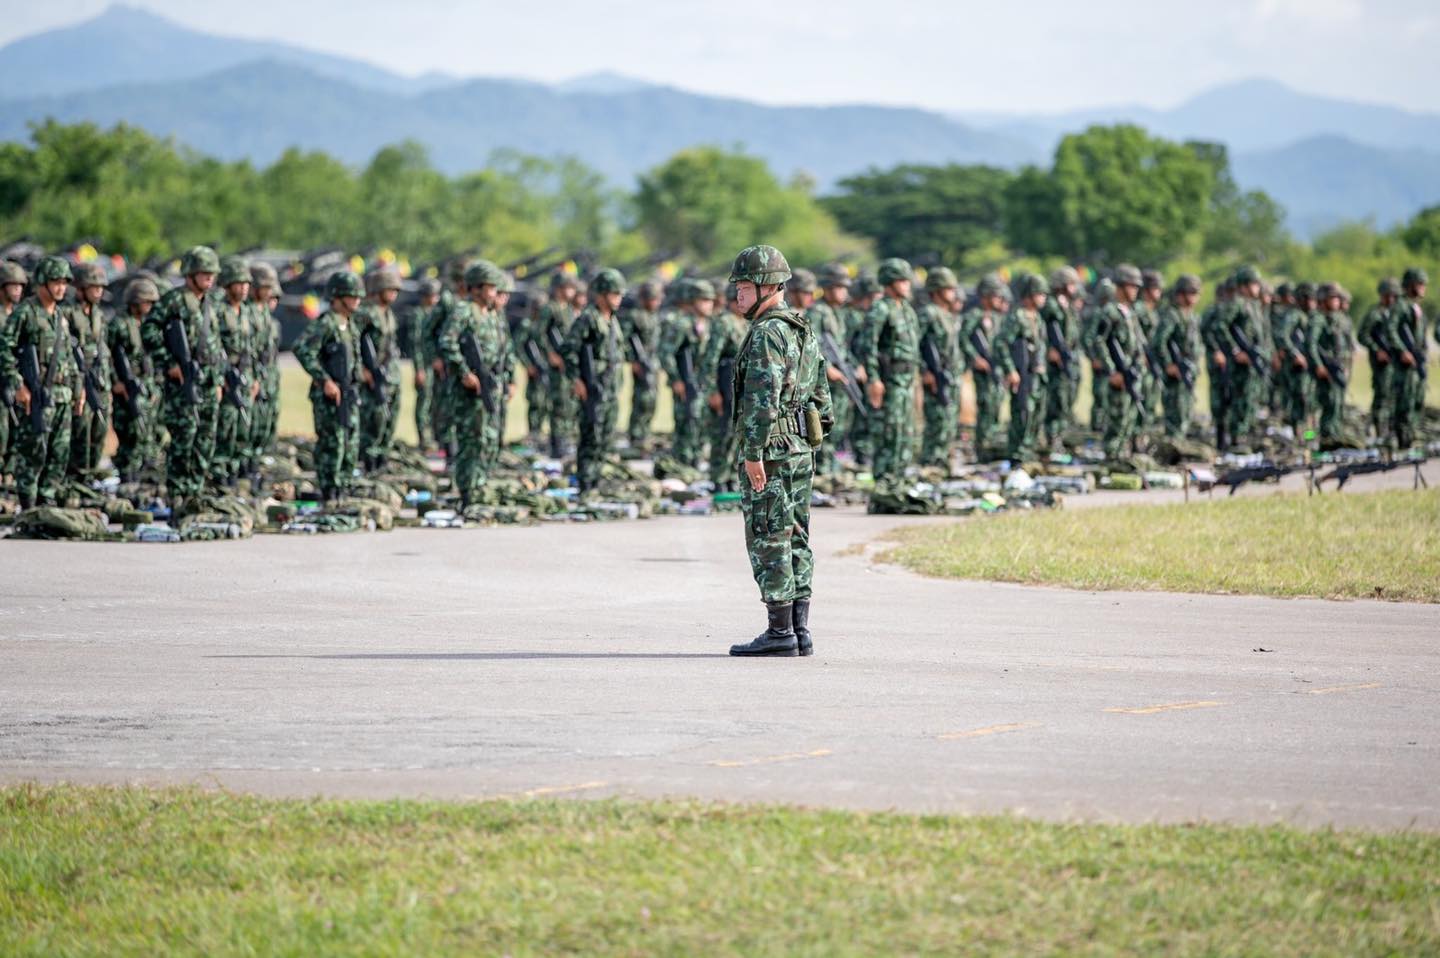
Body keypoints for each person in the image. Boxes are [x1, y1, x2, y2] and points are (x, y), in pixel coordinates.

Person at [726, 245, 830, 658]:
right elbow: (821, 392)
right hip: (800, 446)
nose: (738, 295)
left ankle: (779, 632)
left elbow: (761, 398)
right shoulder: (800, 327)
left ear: (768, 287)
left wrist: (754, 452)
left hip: (771, 447)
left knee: (770, 535)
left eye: (745, 287)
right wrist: (812, 437)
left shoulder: (768, 332)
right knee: (797, 534)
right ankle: (800, 631)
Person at [143, 245, 222, 505]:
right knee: (184, 439)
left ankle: (196, 491)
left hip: (208, 380)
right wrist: (168, 363)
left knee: (206, 438)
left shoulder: (211, 302)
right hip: (183, 381)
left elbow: (217, 343)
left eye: (212, 272)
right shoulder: (175, 300)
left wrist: (218, 379)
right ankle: (178, 494)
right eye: (204, 272)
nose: (209, 277)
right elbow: (150, 330)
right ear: (190, 273)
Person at [1, 255, 80, 508]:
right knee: (34, 452)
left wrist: (78, 391)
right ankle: (29, 504)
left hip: (62, 396)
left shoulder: (60, 317)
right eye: (55, 282)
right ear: (43, 283)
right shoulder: (26, 313)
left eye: (64, 283)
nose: (60, 288)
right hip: (35, 396)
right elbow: (4, 350)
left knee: (59, 453)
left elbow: (69, 355)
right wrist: (18, 385)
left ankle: (47, 501)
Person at [436, 260, 509, 507]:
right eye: (490, 288)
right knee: (471, 441)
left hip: (490, 385)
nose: (494, 293)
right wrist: (464, 373)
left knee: (488, 439)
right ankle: (467, 492)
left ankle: (480, 485)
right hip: (468, 390)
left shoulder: (492, 315)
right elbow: (447, 341)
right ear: (476, 288)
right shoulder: (464, 311)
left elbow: (501, 350)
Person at [293, 271, 364, 504]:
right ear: (337, 297)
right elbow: (303, 349)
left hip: (348, 394)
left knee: (350, 445)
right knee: (332, 444)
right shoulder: (327, 323)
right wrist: (324, 380)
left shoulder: (350, 324)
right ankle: (330, 491)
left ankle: (342, 488)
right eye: (351, 296)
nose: (357, 300)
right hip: (329, 397)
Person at [858, 258, 920, 486]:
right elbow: (868, 346)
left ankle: (899, 477)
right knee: (888, 432)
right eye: (901, 280)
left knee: (905, 431)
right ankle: (885, 480)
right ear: (889, 282)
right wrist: (874, 379)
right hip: (889, 379)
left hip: (906, 380)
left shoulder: (907, 310)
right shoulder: (880, 308)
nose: (907, 285)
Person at [565, 269, 626, 495]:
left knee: (606, 436)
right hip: (592, 386)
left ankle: (596, 481)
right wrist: (576, 379)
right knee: (590, 433)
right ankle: (585, 483)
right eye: (613, 294)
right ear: (600, 295)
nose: (618, 299)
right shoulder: (588, 318)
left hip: (609, 388)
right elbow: (569, 349)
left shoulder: (612, 320)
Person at [210, 255, 257, 487]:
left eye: (247, 284)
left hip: (245, 378)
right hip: (226, 377)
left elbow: (252, 348)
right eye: (240, 284)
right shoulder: (218, 311)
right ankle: (220, 475)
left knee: (242, 429)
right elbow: (212, 346)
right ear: (228, 285)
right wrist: (220, 378)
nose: (244, 288)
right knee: (224, 428)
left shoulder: (247, 313)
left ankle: (235, 475)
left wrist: (255, 377)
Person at [108, 278, 159, 482]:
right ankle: (127, 477)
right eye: (146, 302)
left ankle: (141, 475)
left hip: (145, 385)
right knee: (129, 434)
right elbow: (107, 356)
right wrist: (114, 382)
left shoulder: (148, 325)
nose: (149, 307)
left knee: (146, 434)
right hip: (126, 388)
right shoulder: (119, 325)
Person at [993, 272, 1048, 461]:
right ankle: (1017, 454)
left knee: (1036, 414)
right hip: (1022, 374)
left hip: (1036, 375)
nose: (1043, 298)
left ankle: (1028, 450)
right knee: (1022, 413)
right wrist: (1010, 370)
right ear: (1030, 294)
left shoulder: (1037, 318)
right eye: (1040, 294)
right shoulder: (1017, 317)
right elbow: (1000, 343)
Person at [355, 266, 403, 471]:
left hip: (389, 376)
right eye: (389, 289)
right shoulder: (366, 313)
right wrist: (361, 370)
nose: (393, 293)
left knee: (388, 422)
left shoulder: (389, 314)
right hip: (372, 379)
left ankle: (382, 462)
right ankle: (370, 465)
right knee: (373, 423)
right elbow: (351, 342)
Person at [66, 262, 112, 477]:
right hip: (79, 380)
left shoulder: (99, 315)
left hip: (100, 380)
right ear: (81, 288)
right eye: (94, 287)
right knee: (80, 430)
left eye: (101, 288)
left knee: (99, 430)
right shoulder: (68, 313)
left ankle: (91, 472)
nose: (98, 292)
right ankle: (77, 473)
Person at [701, 282, 747, 490]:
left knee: (737, 433)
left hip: (740, 387)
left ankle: (731, 476)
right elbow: (710, 359)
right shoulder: (724, 323)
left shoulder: (745, 323)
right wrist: (712, 391)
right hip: (723, 384)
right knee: (722, 433)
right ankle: (718, 478)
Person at [661, 278, 712, 467]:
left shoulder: (709, 324)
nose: (709, 304)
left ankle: (695, 460)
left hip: (702, 382)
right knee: (685, 422)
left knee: (701, 422)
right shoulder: (681, 324)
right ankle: (682, 463)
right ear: (692, 301)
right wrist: (676, 379)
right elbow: (666, 353)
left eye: (710, 300)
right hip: (685, 381)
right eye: (704, 300)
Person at [916, 266, 962, 469]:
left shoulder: (947, 315)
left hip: (949, 374)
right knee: (937, 420)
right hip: (935, 375)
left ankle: (942, 459)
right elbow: (917, 344)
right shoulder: (929, 313)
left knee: (949, 420)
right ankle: (931, 461)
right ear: (936, 290)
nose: (953, 292)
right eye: (948, 288)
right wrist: (925, 370)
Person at [1098, 265, 1145, 460]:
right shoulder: (1110, 312)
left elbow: (1138, 343)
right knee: (1117, 419)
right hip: (1118, 374)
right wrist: (1111, 370)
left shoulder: (1130, 313)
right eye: (1131, 286)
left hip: (1131, 373)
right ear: (1121, 287)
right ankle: (1112, 457)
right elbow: (1098, 341)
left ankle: (1123, 456)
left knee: (1129, 418)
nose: (1135, 290)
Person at [959, 274, 1006, 457]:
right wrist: (975, 358)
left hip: (995, 368)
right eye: (995, 296)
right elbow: (963, 338)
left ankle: (991, 442)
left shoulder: (996, 317)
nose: (998, 300)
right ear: (985, 296)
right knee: (985, 405)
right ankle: (982, 446)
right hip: (983, 369)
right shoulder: (974, 315)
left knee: (996, 405)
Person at [1151, 274, 1202, 439]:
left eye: (1196, 293)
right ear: (1180, 294)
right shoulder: (1172, 315)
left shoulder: (1192, 316)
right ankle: (1173, 446)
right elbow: (1159, 342)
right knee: (1175, 414)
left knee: (1186, 412)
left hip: (1188, 370)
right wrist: (1168, 364)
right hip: (1175, 372)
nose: (1194, 297)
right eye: (1191, 293)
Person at [1040, 266, 1082, 448]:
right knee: (1054, 400)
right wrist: (1051, 349)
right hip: (1053, 362)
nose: (1074, 288)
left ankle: (1059, 436)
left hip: (1067, 357)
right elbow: (1044, 331)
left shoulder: (1067, 306)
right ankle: (1051, 437)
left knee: (1065, 397)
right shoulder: (1051, 305)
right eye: (1071, 284)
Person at [1387, 267, 1429, 451]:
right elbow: (1391, 330)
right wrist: (1403, 351)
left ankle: (1412, 438)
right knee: (1404, 403)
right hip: (1404, 366)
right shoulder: (1400, 306)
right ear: (1411, 285)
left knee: (1416, 401)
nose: (1423, 288)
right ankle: (1403, 442)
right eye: (1420, 284)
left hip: (1417, 363)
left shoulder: (1416, 307)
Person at [1308, 282, 1354, 448]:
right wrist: (1319, 365)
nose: (1336, 301)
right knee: (1328, 404)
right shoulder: (1318, 319)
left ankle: (1334, 436)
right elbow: (1311, 345)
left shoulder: (1336, 319)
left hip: (1336, 368)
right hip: (1325, 370)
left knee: (1337, 403)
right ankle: (1324, 439)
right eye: (1333, 298)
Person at [247, 262, 282, 473]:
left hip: (267, 381)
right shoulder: (248, 314)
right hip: (251, 380)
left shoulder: (268, 321)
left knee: (264, 429)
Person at [620, 279, 663, 449]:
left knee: (652, 399)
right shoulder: (634, 316)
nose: (656, 303)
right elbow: (624, 339)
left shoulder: (654, 316)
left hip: (652, 362)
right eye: (653, 299)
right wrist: (632, 360)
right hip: (640, 362)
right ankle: (636, 435)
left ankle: (645, 432)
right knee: (641, 399)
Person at [1357, 278, 1400, 447]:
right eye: (1388, 296)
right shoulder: (1375, 313)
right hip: (1381, 362)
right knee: (1381, 395)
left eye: (1393, 296)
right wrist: (1377, 350)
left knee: (1392, 396)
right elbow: (1362, 335)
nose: (1391, 299)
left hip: (1394, 362)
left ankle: (1389, 431)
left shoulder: (1394, 313)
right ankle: (1379, 431)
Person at [408, 277, 442, 451]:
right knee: (424, 402)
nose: (435, 298)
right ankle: (423, 438)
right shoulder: (418, 315)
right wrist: (419, 368)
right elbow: (416, 344)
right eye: (432, 295)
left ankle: (435, 437)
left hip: (437, 366)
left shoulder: (435, 314)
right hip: (425, 365)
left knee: (437, 402)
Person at [0, 259, 27, 478]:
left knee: (16, 433)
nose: (18, 290)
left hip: (16, 383)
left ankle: (9, 475)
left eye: (20, 286)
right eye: (13, 285)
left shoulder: (18, 316)